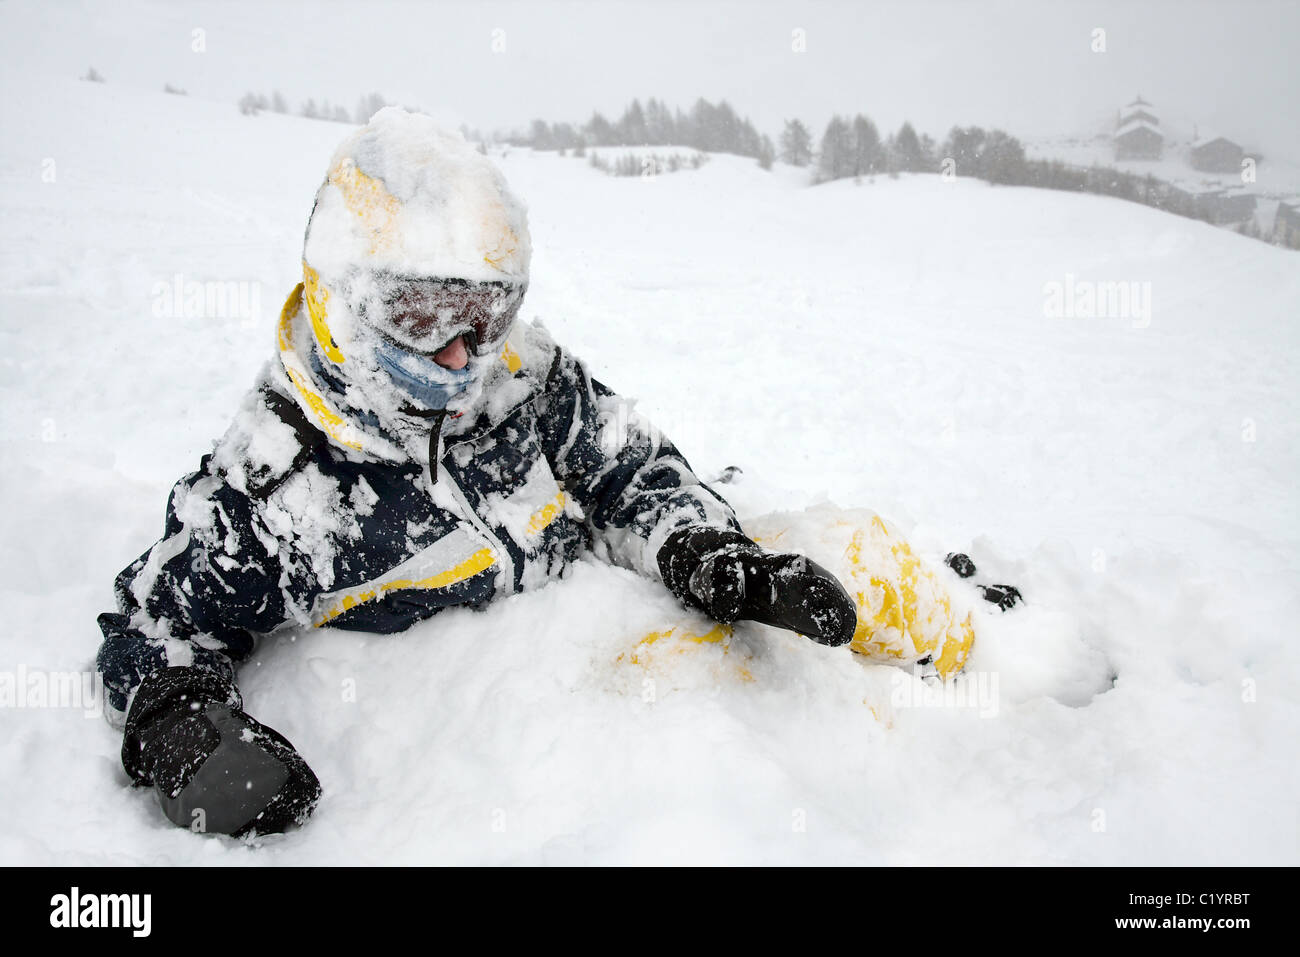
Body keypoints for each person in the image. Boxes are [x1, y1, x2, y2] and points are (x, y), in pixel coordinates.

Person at [95, 109, 861, 837]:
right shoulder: (283, 488)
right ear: (343, 299)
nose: (464, 354)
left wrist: (698, 545)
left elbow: (627, 464)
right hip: (466, 790)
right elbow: (158, 621)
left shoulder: (521, 376)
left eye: (485, 316)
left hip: (636, 717)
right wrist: (188, 731)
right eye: (425, 317)